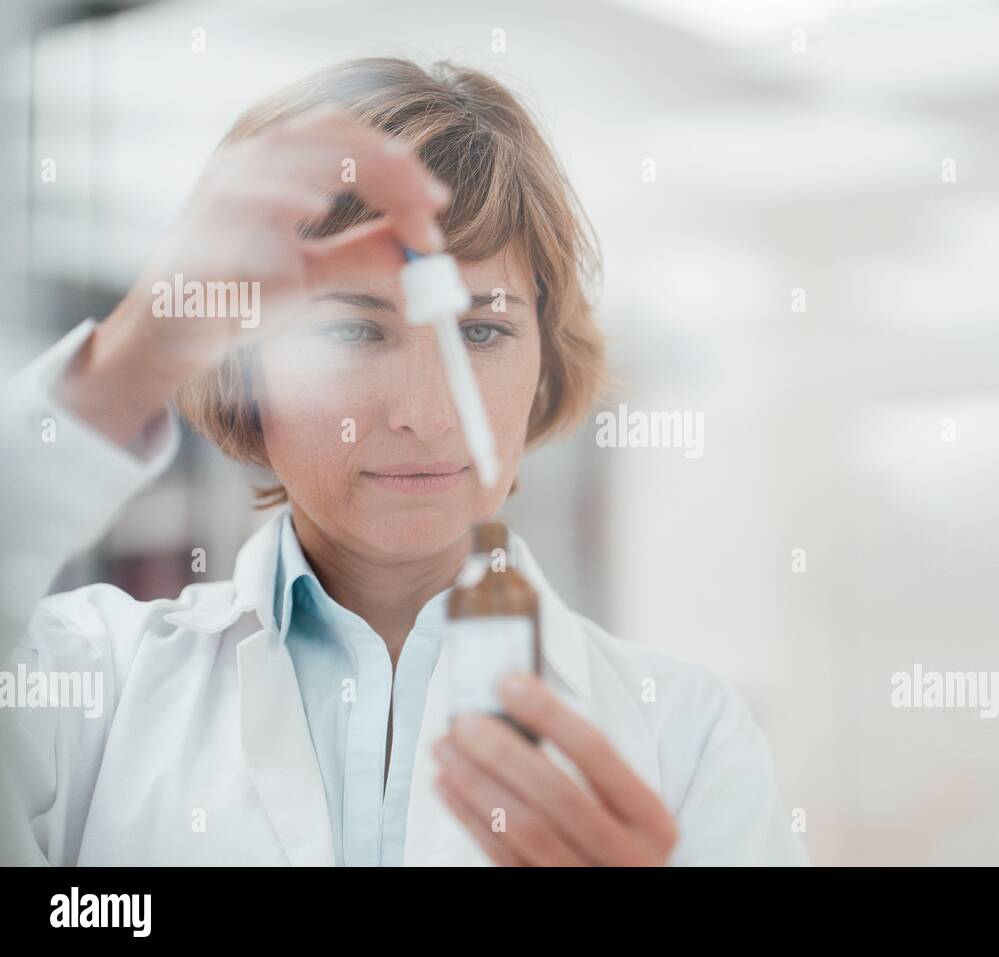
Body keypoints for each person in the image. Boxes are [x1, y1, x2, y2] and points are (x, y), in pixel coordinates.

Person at [0, 58, 809, 866]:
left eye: (482, 331)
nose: (421, 415)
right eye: (352, 332)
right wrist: (132, 356)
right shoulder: (84, 685)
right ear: (245, 369)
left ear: (543, 368)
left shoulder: (687, 737)